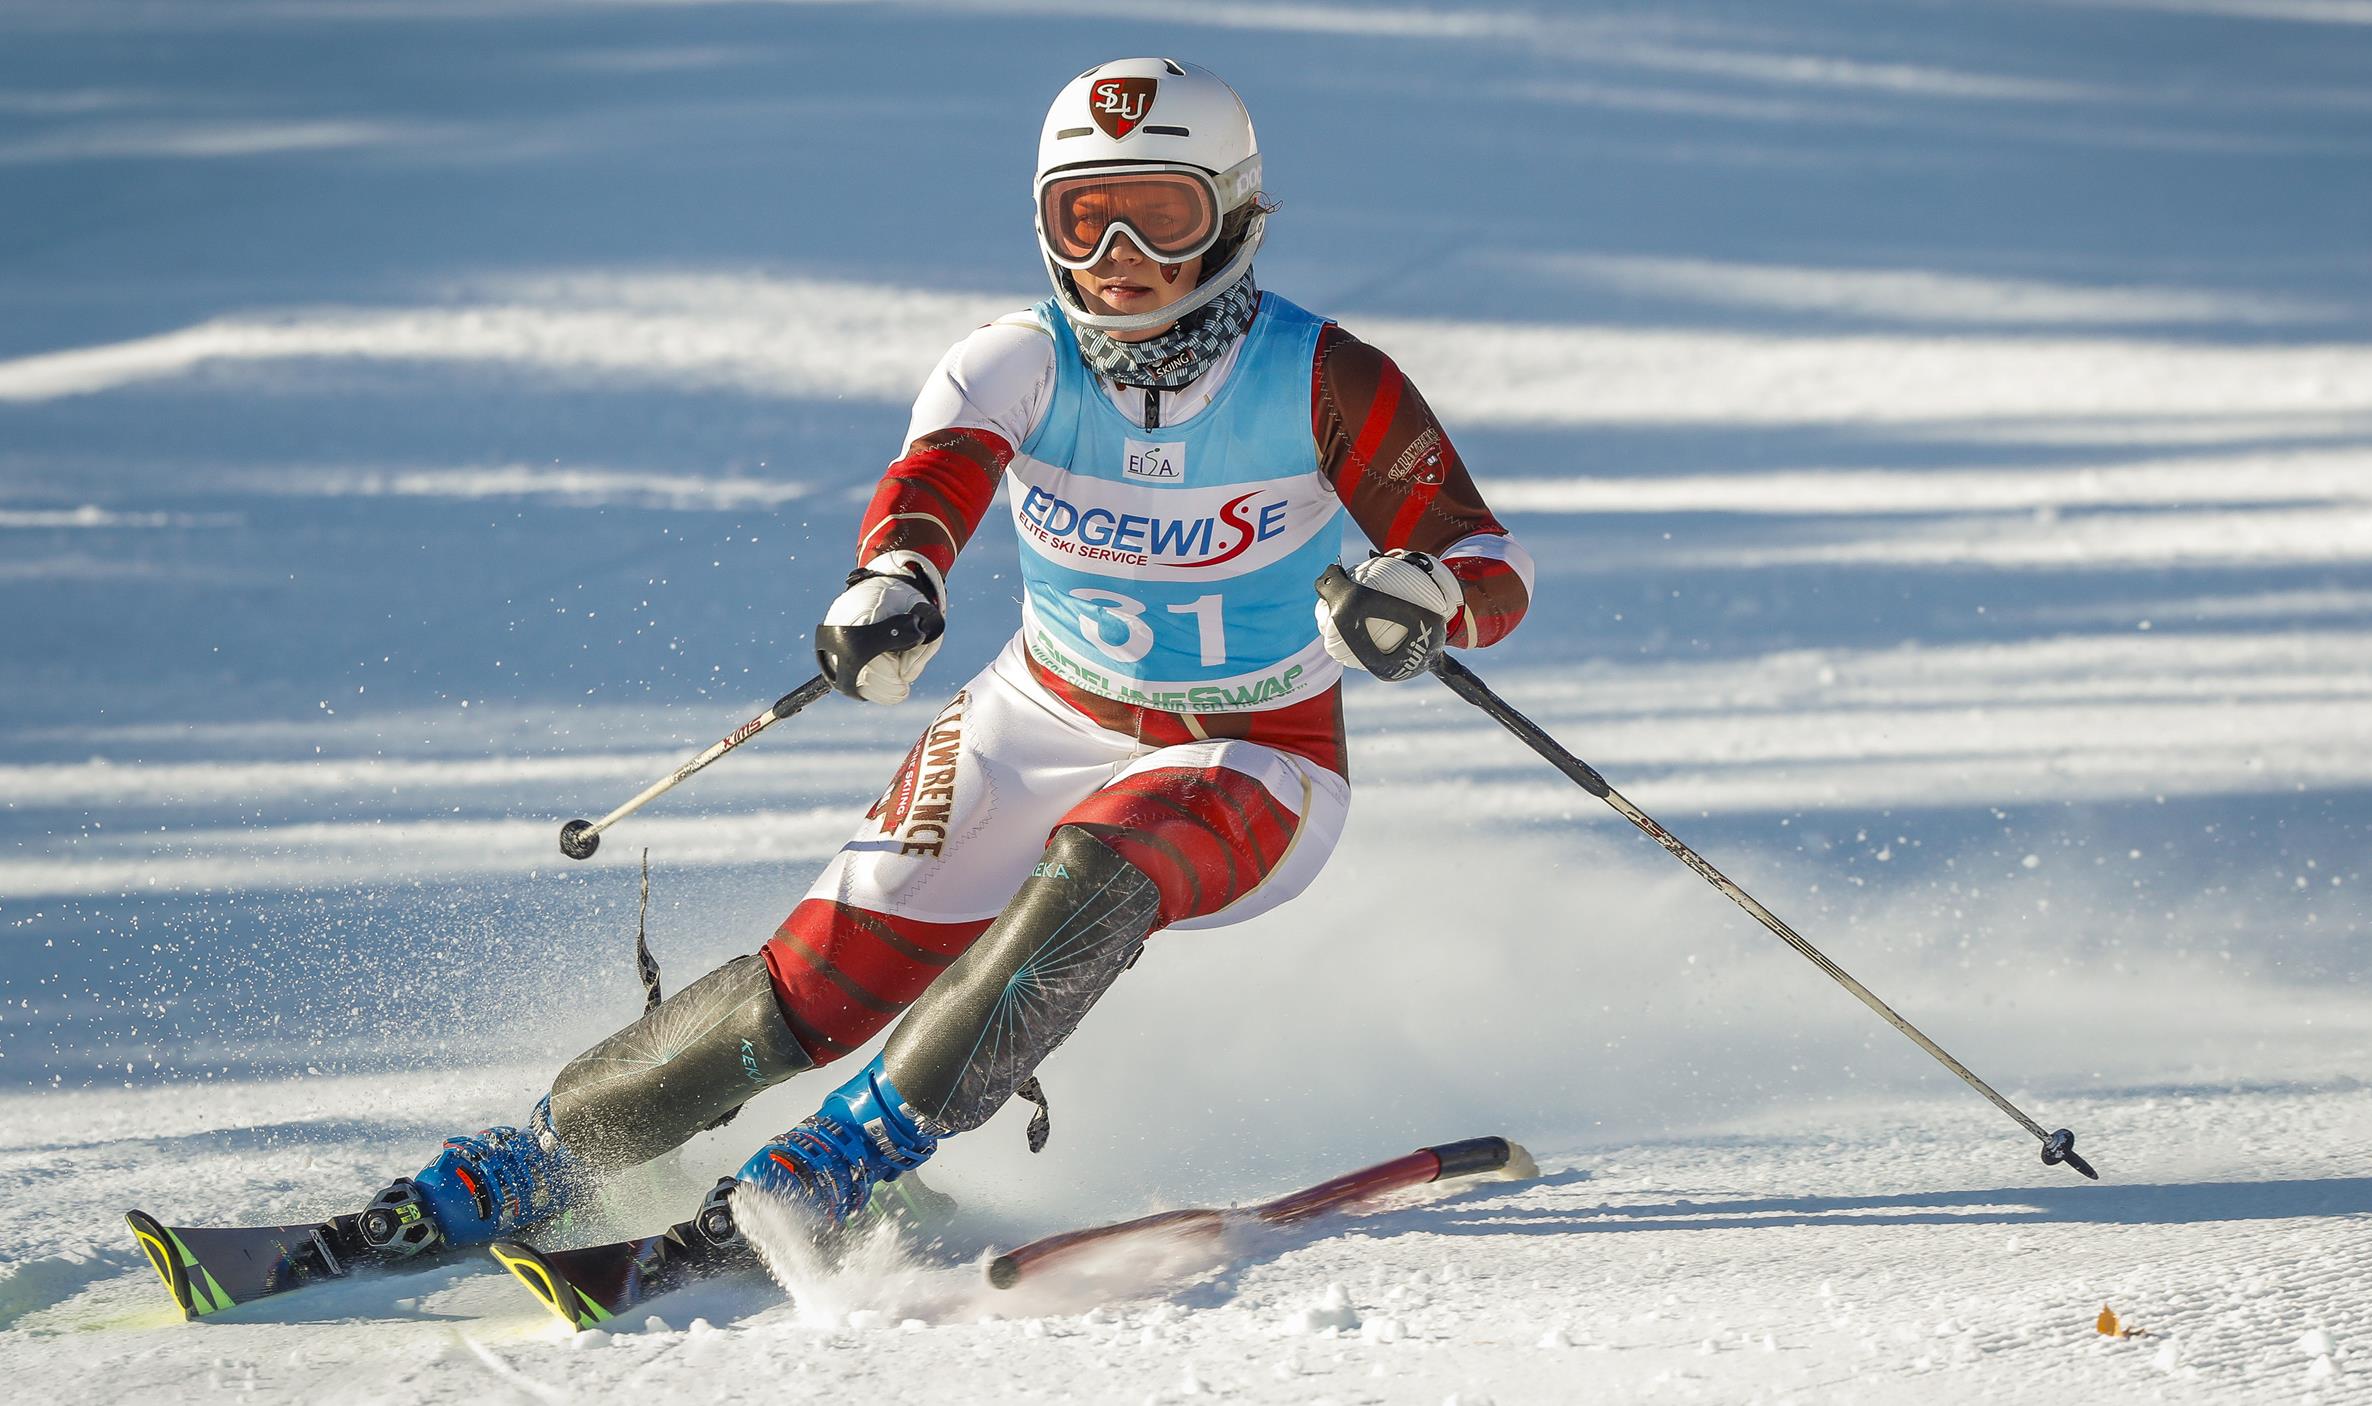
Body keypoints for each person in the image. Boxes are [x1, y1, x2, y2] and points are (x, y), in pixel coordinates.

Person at [362, 56, 1536, 1258]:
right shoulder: (1016, 358)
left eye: (1160, 211)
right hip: (1037, 714)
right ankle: (534, 1163)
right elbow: (939, 475)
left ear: (1232, 214)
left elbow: (1489, 558)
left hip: (1255, 751)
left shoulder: (1319, 374)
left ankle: (838, 1163)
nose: (1116, 248)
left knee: (1101, 861)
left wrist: (1426, 595)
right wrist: (898, 577)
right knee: (821, 978)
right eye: (1082, 216)